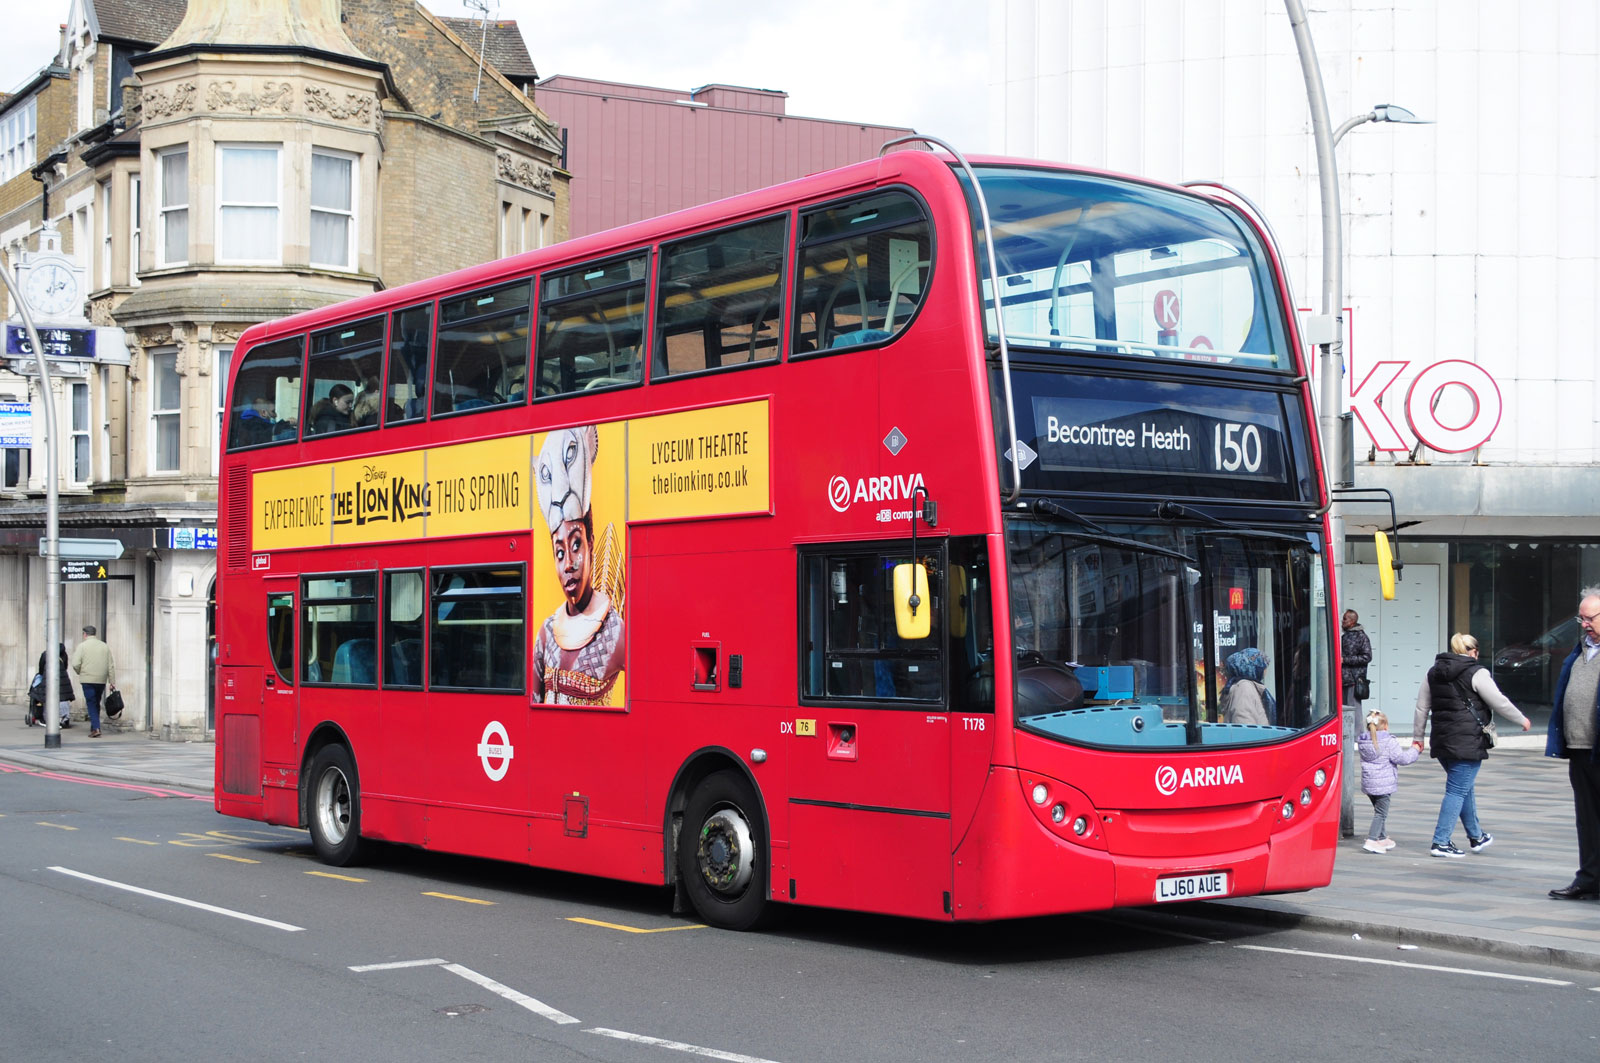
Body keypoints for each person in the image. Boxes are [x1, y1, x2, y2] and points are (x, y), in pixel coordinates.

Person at [1413, 632, 1532, 858]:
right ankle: (1441, 842)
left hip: (1442, 740)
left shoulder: (1434, 672)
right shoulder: (1477, 672)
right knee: (1457, 790)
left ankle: (1477, 836)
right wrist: (1521, 719)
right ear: (1473, 652)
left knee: (1463, 787)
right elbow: (1499, 701)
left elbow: (1421, 708)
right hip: (1467, 741)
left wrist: (1418, 737)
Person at [531, 425, 624, 706]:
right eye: (559, 553)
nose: (568, 564)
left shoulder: (616, 630)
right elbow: (532, 704)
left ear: (591, 543)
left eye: (575, 546)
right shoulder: (546, 633)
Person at [1544, 585, 1600, 900]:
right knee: (1587, 820)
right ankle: (1589, 879)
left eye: (1589, 618)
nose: (1584, 624)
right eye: (1581, 619)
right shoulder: (1581, 650)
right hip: (1581, 749)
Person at [1358, 708, 1418, 853]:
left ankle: (1382, 837)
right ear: (1385, 726)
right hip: (1383, 784)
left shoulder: (1363, 742)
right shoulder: (1389, 741)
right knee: (1381, 813)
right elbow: (1402, 758)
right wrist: (1415, 750)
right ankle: (1372, 840)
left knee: (1378, 810)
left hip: (1369, 783)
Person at [70, 624, 115, 739]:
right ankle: (94, 725)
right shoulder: (104, 646)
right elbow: (110, 665)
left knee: (91, 702)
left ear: (85, 634)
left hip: (87, 679)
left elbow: (75, 663)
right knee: (96, 702)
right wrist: (112, 681)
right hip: (101, 679)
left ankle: (96, 728)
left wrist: (80, 671)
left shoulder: (82, 646)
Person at [1219, 647, 1276, 726]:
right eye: (1263, 665)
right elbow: (1244, 725)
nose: (1265, 670)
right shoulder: (1244, 688)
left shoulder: (1248, 686)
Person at [1341, 609, 1372, 711]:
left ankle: (1357, 728)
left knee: (1353, 711)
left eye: (1345, 619)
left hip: (1353, 680)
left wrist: (1345, 660)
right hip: (1343, 680)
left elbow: (1367, 657)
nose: (1342, 621)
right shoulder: (1345, 636)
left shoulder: (1361, 637)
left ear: (1352, 621)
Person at [37, 643, 72, 729]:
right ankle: (64, 717)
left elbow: (41, 668)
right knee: (63, 697)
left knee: (48, 698)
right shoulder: (64, 654)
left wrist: (42, 674)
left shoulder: (46, 654)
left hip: (48, 678)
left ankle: (48, 718)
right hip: (62, 678)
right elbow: (66, 666)